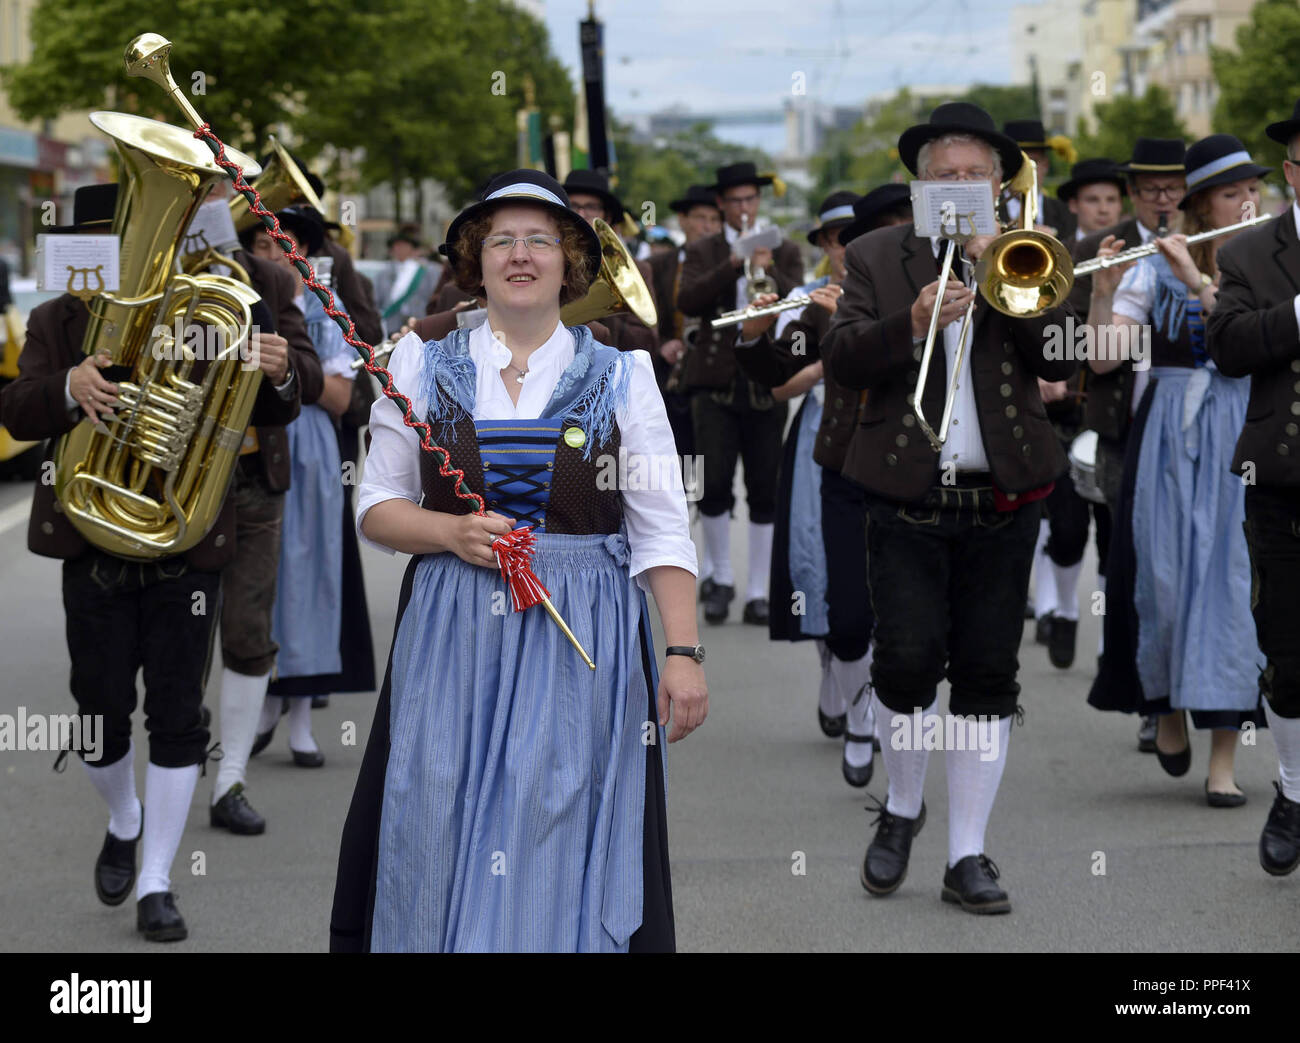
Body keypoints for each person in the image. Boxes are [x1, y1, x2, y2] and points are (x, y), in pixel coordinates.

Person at [329, 170, 706, 952]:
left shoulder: (624, 375)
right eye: (501, 239)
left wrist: (681, 652)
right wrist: (450, 533)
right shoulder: (417, 365)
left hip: (586, 632)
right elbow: (376, 505)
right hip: (451, 629)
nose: (521, 254)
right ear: (476, 260)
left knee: (557, 817)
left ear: (571, 261)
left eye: (541, 239)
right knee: (437, 805)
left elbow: (663, 528)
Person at [0, 183, 309, 941]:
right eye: (112, 241)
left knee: (176, 712)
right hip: (94, 537)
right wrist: (69, 387)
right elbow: (15, 410)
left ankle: (159, 880)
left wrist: (275, 372)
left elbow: (278, 407)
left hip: (186, 538)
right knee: (99, 715)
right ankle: (125, 814)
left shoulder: (220, 304)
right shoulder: (57, 318)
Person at [822, 103, 1079, 914]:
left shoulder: (1032, 254)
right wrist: (911, 321)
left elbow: (1063, 353)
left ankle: (966, 852)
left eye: (976, 176)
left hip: (1003, 496)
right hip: (906, 493)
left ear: (1001, 187)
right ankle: (902, 805)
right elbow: (840, 358)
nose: (961, 187)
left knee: (985, 675)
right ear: (919, 187)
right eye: (945, 177)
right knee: (904, 665)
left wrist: (998, 272)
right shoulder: (873, 256)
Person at [1087, 134, 1268, 806]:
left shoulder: (1271, 261)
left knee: (1230, 584)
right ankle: (1164, 705)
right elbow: (1104, 359)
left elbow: (1253, 333)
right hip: (1166, 428)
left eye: (1252, 189)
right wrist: (1104, 292)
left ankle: (1224, 758)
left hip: (1240, 426)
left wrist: (1197, 282)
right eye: (1231, 193)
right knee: (1161, 578)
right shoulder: (1152, 264)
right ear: (1200, 205)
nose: (1247, 201)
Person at [736, 185, 912, 786]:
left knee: (886, 589)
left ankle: (871, 705)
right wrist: (758, 334)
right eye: (839, 241)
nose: (848, 249)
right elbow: (776, 385)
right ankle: (841, 683)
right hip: (827, 441)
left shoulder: (910, 293)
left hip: (896, 443)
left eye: (858, 238)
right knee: (820, 572)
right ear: (828, 247)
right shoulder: (807, 305)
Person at [208, 208, 325, 836]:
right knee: (176, 637)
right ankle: (176, 761)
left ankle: (229, 779)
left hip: (250, 483)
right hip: (164, 483)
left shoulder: (271, 281)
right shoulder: (140, 274)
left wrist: (282, 367)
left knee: (249, 630)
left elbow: (306, 378)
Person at [1207, 98, 1300, 872]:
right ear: (1294, 173)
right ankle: (1296, 790)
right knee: (1290, 656)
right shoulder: (1250, 255)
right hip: (1284, 478)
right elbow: (1230, 346)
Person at [240, 206, 365, 763]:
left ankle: (297, 715)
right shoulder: (237, 303)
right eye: (261, 249)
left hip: (309, 447)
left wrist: (289, 369)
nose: (270, 258)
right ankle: (258, 699)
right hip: (250, 443)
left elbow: (340, 397)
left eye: (281, 247)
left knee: (309, 573)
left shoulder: (326, 305)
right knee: (257, 577)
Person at [1075, 139, 1187, 753]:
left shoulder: (1214, 242)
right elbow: (1077, 334)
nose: (1163, 196)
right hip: (1125, 424)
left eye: (1174, 186)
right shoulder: (1101, 246)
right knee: (1132, 557)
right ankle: (1152, 695)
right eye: (1152, 187)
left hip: (1194, 428)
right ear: (1136, 192)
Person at [677, 162, 805, 626]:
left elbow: (799, 303)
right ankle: (722, 580)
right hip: (713, 380)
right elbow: (686, 301)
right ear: (721, 205)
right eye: (735, 201)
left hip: (765, 378)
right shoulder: (704, 249)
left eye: (751, 200)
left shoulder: (783, 247)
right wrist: (730, 265)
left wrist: (771, 272)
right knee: (712, 484)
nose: (744, 208)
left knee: (765, 487)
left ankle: (758, 592)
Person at [651, 184, 723, 461]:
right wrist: (662, 342)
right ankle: (683, 503)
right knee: (676, 453)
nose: (708, 227)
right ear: (683, 220)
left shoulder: (731, 265)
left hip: (713, 377)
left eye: (715, 220)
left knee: (711, 461)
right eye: (701, 218)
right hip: (670, 374)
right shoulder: (658, 265)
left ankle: (704, 503)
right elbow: (644, 315)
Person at [562, 169, 661, 355]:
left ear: (606, 217)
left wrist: (594, 312)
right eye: (573, 206)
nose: (581, 213)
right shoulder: (547, 260)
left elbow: (648, 343)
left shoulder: (638, 269)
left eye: (591, 207)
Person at [1001, 119, 1076, 240]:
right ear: (1003, 166)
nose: (1025, 172)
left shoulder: (1067, 213)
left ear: (1046, 165)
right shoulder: (986, 214)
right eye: (1018, 162)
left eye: (1033, 162)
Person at [374, 226, 437, 338]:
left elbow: (433, 297)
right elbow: (377, 299)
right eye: (396, 246)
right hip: (392, 325)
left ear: (411, 248)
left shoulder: (426, 270)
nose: (399, 249)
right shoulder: (383, 273)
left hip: (418, 323)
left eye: (403, 246)